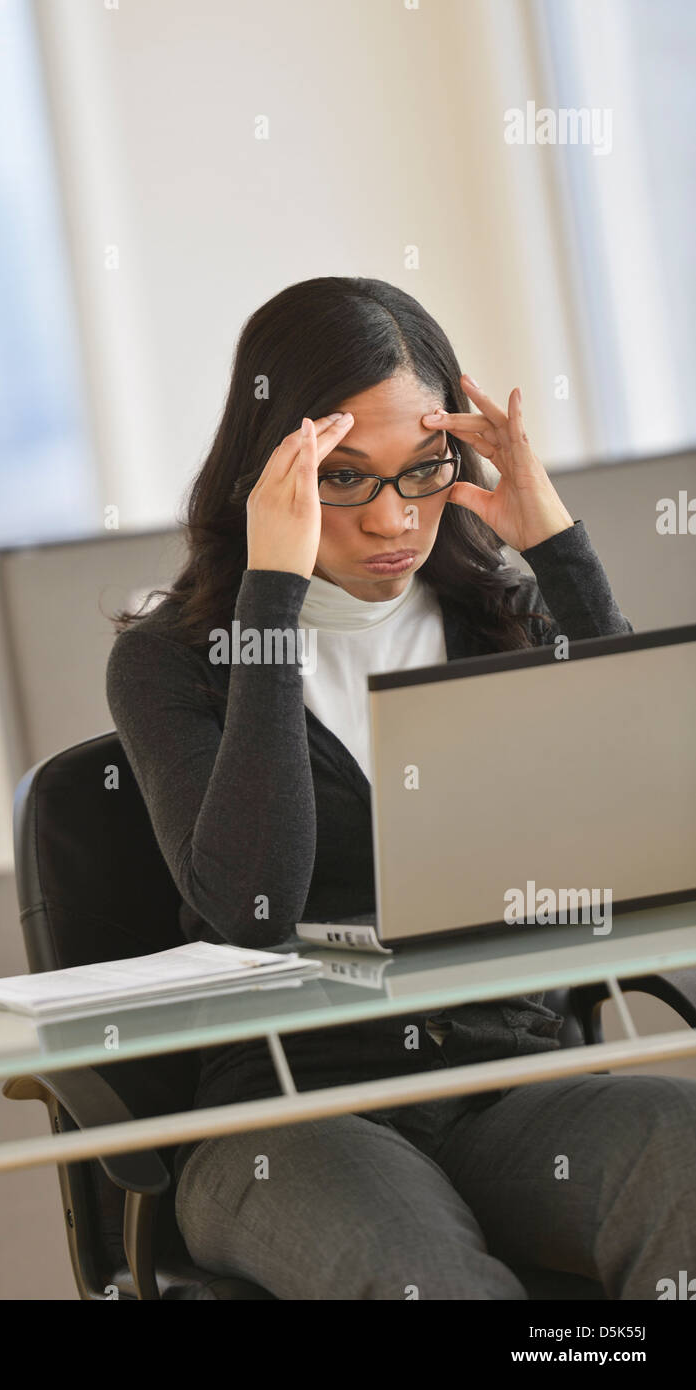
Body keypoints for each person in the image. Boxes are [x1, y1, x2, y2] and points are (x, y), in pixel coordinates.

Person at [106, 276, 696, 1300]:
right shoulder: (175, 659)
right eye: (344, 477)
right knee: (419, 1275)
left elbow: (645, 829)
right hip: (290, 1118)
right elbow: (249, 907)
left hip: (502, 1089)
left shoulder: (502, 621)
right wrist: (273, 595)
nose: (395, 518)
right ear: (271, 473)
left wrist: (555, 547)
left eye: (422, 470)